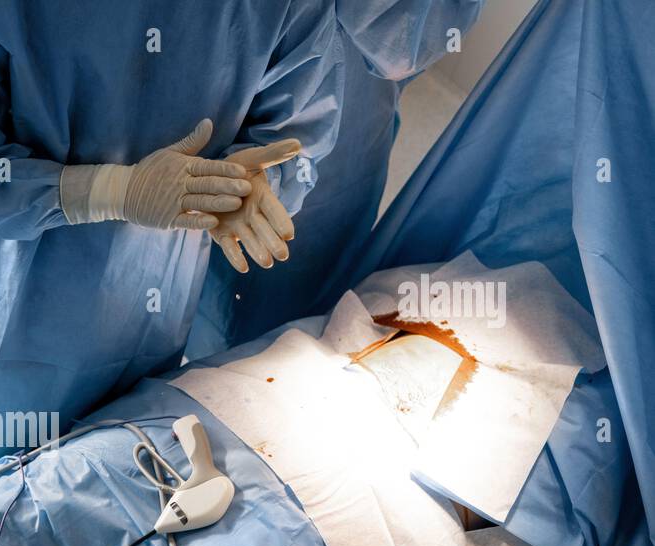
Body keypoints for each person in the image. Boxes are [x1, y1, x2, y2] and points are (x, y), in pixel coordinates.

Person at [0, 0, 344, 479]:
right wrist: (111, 191)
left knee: (121, 476)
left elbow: (295, 120)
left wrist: (248, 183)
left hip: (150, 290)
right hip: (8, 303)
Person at [188, 0, 486, 358]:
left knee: (291, 301)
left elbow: (403, 38)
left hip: (348, 118)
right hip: (214, 77)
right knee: (192, 252)